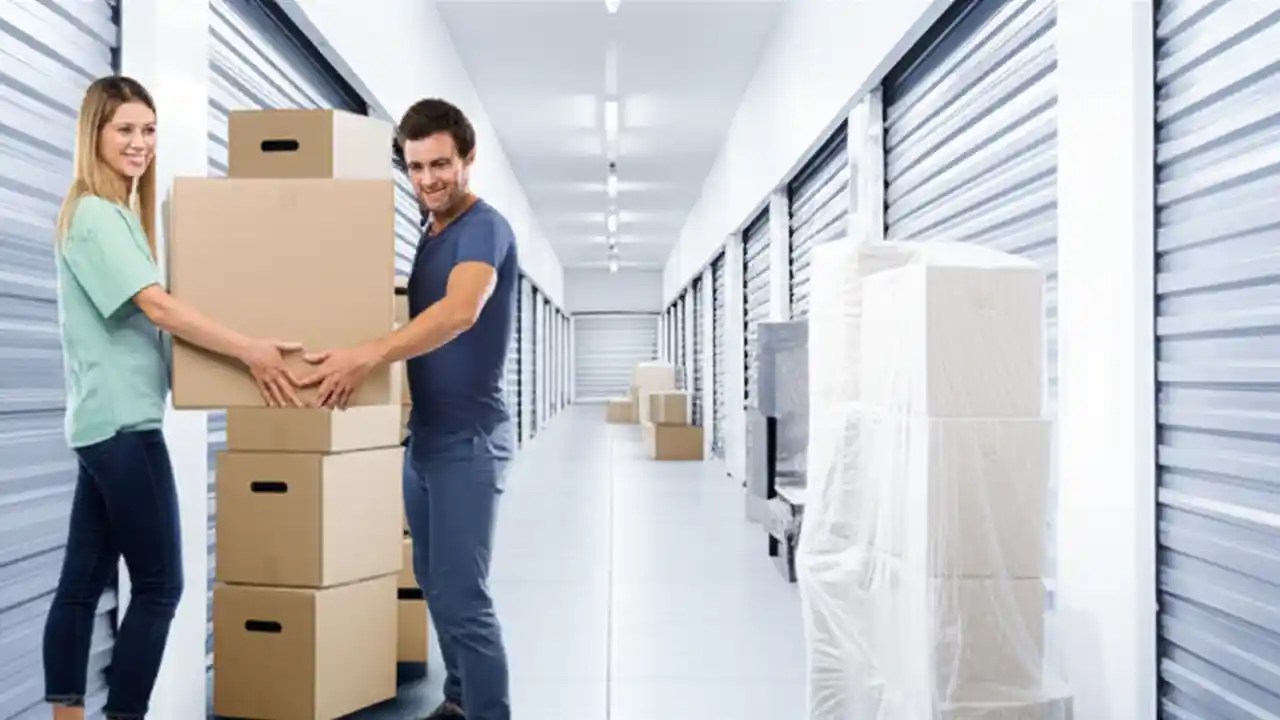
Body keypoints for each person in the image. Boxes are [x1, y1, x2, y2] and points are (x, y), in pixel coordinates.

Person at [43, 75, 304, 720]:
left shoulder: (117, 214)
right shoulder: (95, 215)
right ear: (94, 135)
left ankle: (68, 714)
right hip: (123, 428)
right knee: (161, 585)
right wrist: (248, 349)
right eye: (125, 129)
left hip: (103, 424)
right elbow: (156, 307)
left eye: (149, 130)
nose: (140, 143)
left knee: (80, 586)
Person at [300, 98, 518, 720]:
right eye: (416, 167)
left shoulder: (484, 229)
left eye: (441, 164)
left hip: (469, 441)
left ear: (468, 159)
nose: (427, 180)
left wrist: (367, 357)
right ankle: (458, 701)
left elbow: (460, 312)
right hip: (423, 440)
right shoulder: (431, 232)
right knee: (432, 581)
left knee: (464, 596)